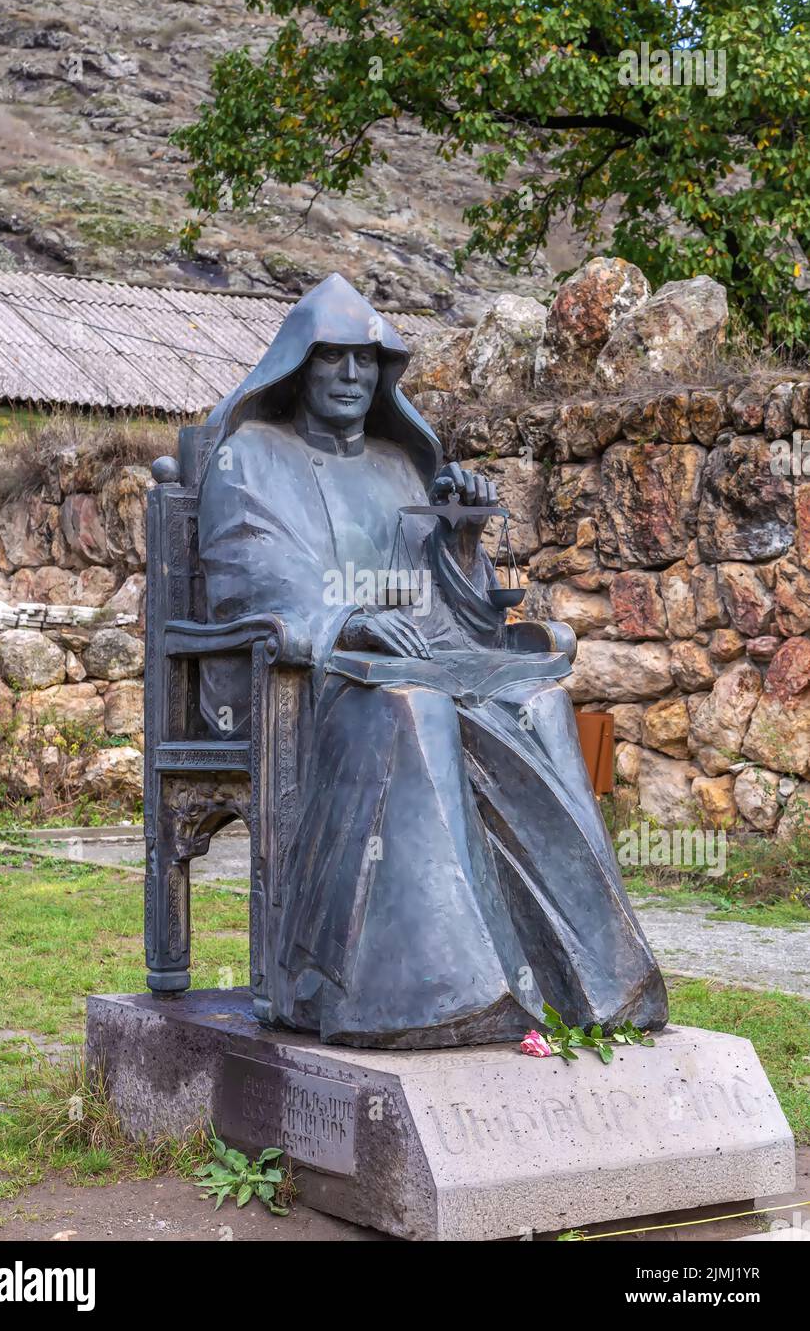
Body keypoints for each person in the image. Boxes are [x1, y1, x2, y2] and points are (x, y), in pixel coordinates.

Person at [198, 274, 667, 1047]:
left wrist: (460, 535)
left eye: (367, 363)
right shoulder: (249, 456)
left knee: (539, 701)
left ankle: (593, 980)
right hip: (298, 679)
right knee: (412, 705)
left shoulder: (398, 464)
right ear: (300, 366)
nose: (352, 377)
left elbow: (442, 606)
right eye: (333, 360)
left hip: (412, 663)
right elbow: (249, 578)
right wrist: (348, 622)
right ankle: (433, 993)